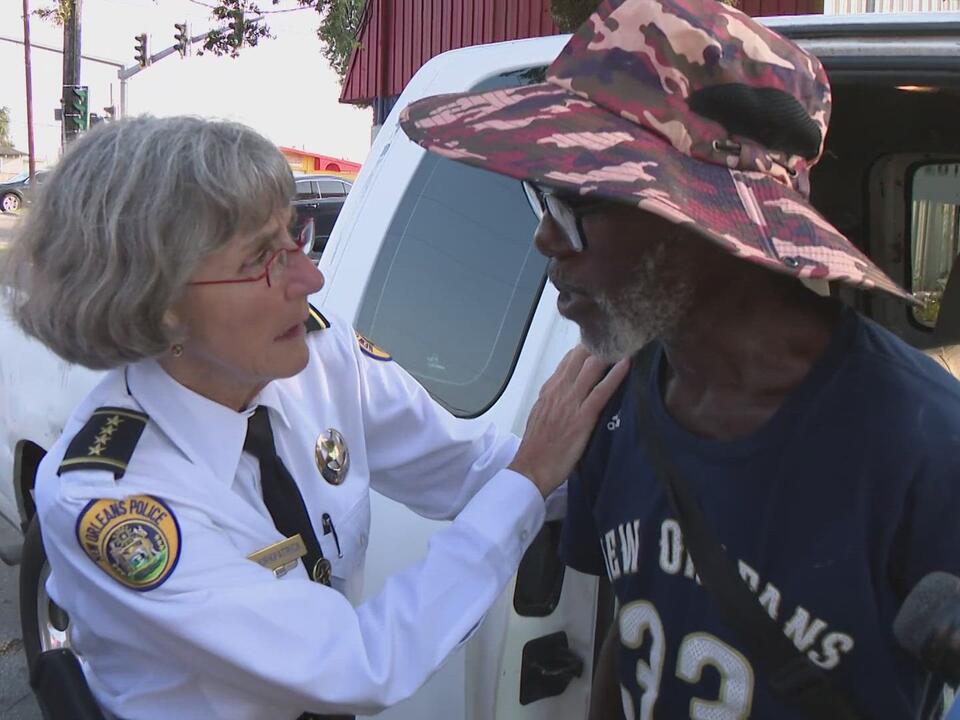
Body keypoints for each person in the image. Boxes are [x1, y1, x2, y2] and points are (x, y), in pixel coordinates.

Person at [399, 0, 960, 717]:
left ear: (710, 222)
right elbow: (626, 631)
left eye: (574, 198)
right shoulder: (617, 405)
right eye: (543, 198)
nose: (545, 239)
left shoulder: (921, 444)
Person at [2, 115, 629, 720]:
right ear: (158, 303)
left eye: (292, 236)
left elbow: (465, 467)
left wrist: (624, 475)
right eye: (261, 258)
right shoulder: (112, 500)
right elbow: (359, 662)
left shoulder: (320, 358)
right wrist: (528, 479)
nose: (312, 276)